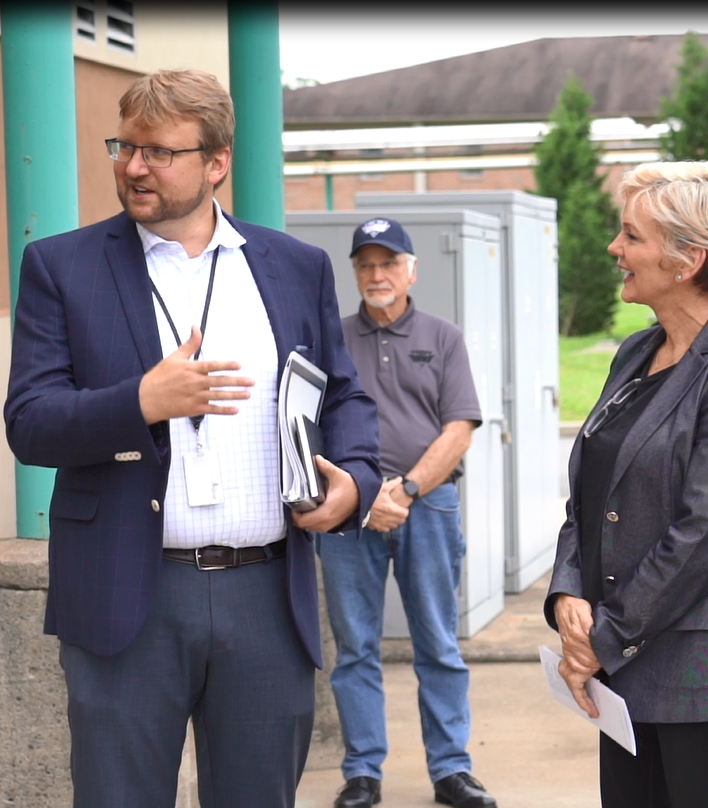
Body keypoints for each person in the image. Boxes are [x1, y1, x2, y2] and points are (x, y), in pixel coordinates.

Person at [3, 69, 381, 808]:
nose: (134, 167)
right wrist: (139, 401)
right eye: (124, 147)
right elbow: (31, 423)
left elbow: (343, 396)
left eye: (159, 152)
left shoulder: (295, 267)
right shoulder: (60, 266)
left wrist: (356, 482)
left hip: (267, 596)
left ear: (216, 163)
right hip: (126, 595)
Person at [545, 161, 708, 808]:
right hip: (622, 659)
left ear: (688, 260)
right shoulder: (635, 352)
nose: (614, 248)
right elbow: (590, 494)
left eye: (631, 235)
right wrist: (568, 591)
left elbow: (702, 535)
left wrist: (600, 639)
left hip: (698, 670)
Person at [317, 217, 495, 808]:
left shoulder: (443, 337)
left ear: (411, 270)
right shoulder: (332, 339)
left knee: (438, 642)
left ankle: (451, 770)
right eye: (365, 264)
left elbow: (460, 428)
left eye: (388, 263)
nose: (377, 274)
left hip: (429, 505)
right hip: (350, 510)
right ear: (355, 273)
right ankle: (362, 773)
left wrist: (407, 490)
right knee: (355, 648)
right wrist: (365, 496)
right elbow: (312, 425)